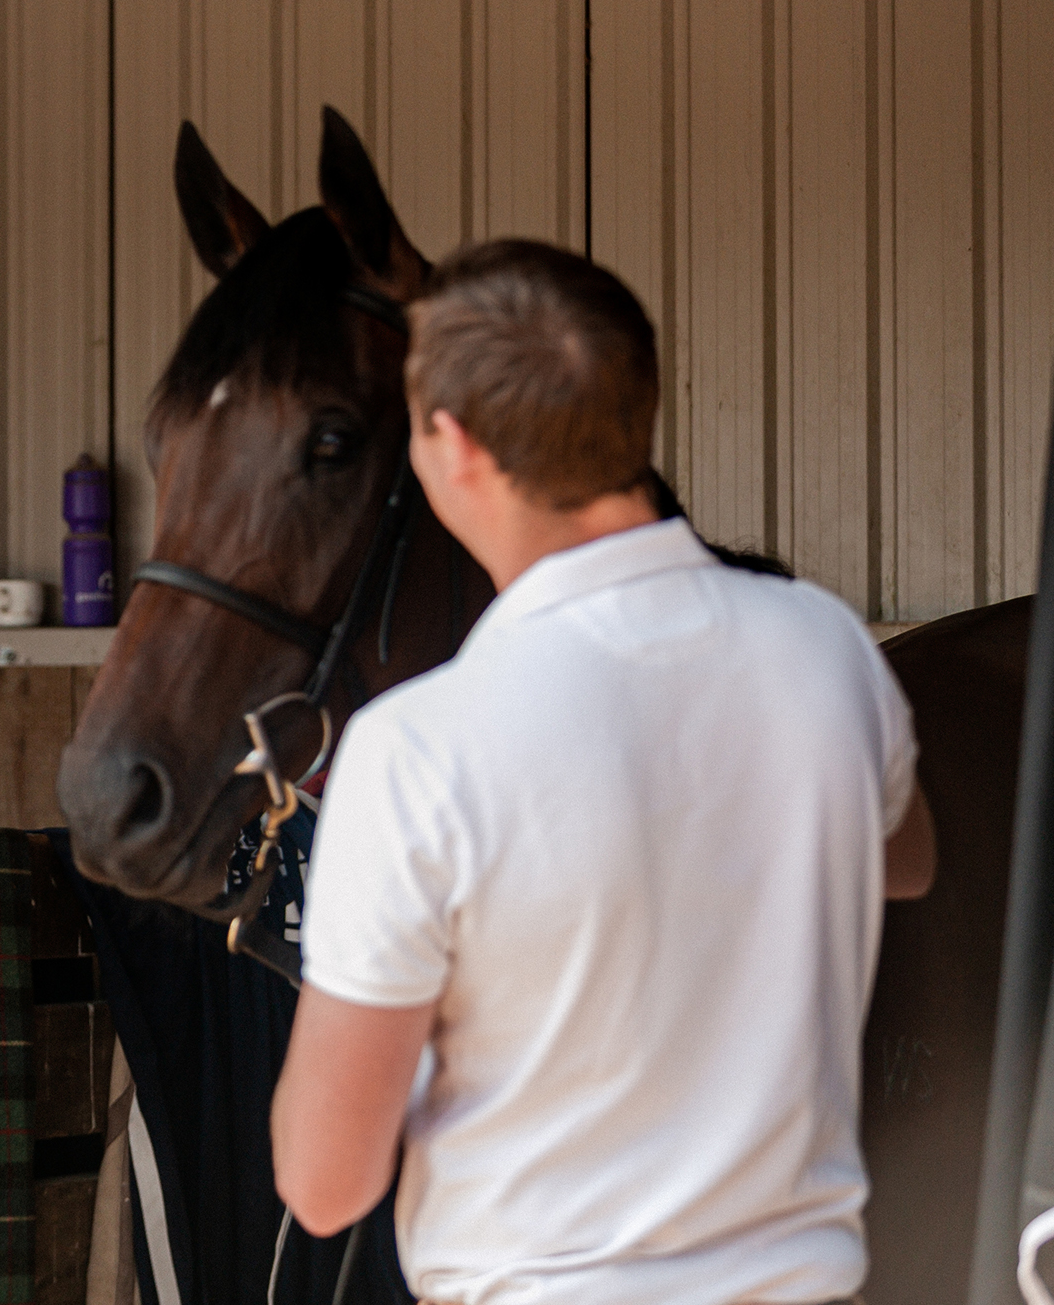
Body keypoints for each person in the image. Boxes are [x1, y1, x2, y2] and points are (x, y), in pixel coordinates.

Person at [271, 240, 936, 1305]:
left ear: (452, 446)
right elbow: (902, 859)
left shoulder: (419, 748)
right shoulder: (825, 648)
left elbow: (323, 1183)